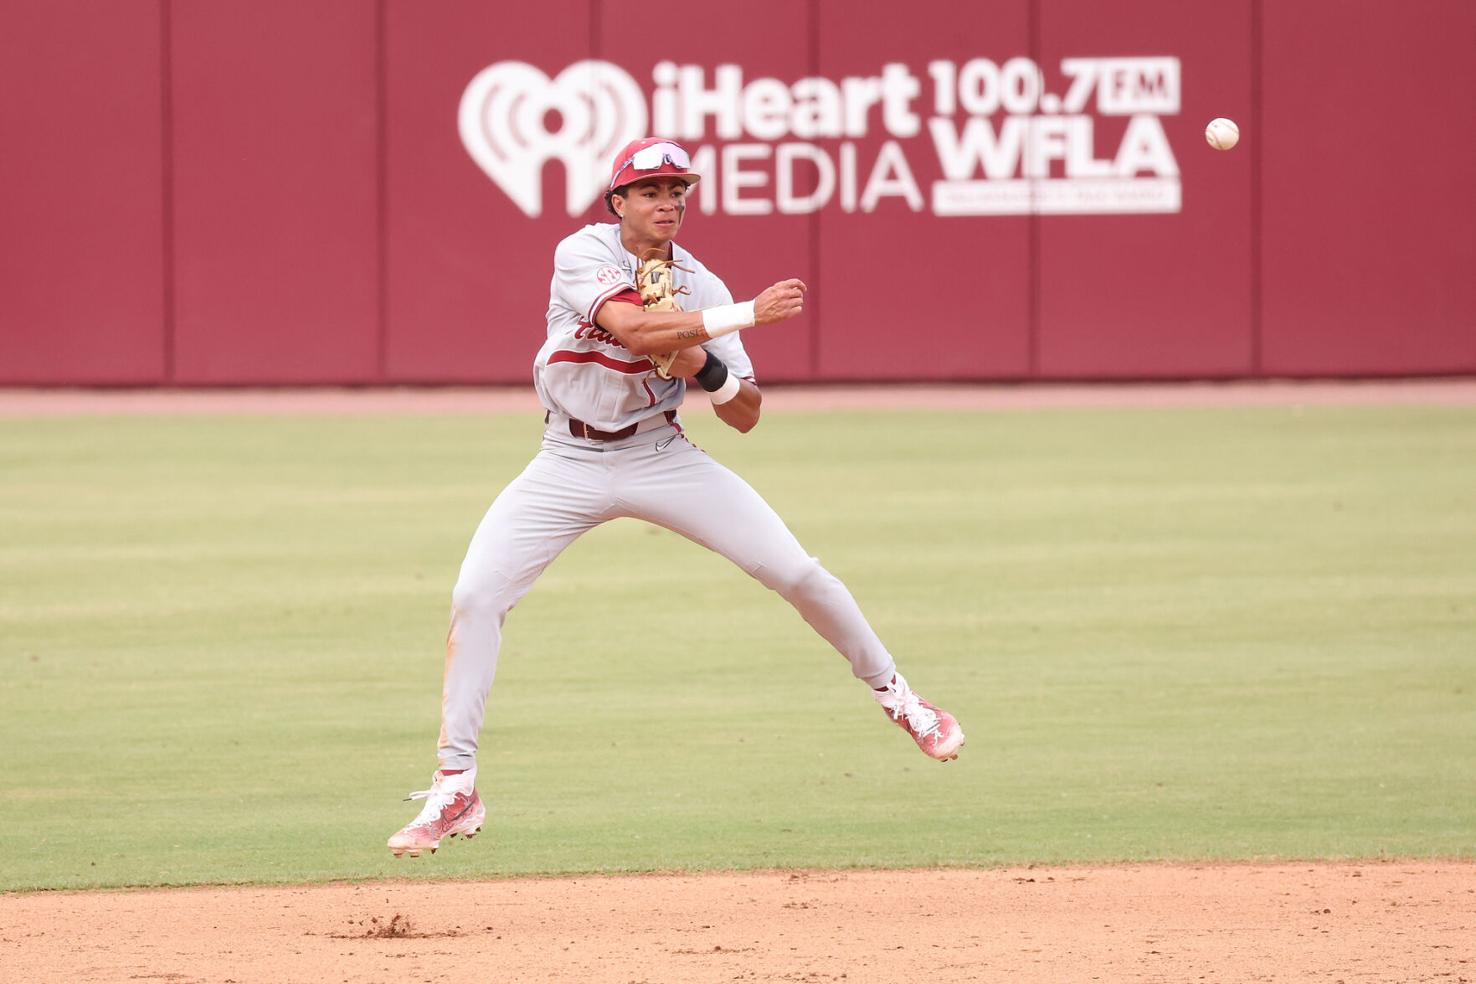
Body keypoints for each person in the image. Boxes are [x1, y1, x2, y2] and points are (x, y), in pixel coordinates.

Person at [387, 137, 964, 858]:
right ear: (618, 202)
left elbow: (746, 413)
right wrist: (745, 317)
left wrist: (707, 365)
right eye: (651, 191)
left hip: (659, 455)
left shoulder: (702, 285)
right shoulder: (584, 252)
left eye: (678, 192)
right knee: (475, 596)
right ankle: (456, 783)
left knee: (796, 571)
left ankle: (902, 700)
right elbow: (629, 325)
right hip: (564, 459)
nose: (668, 203)